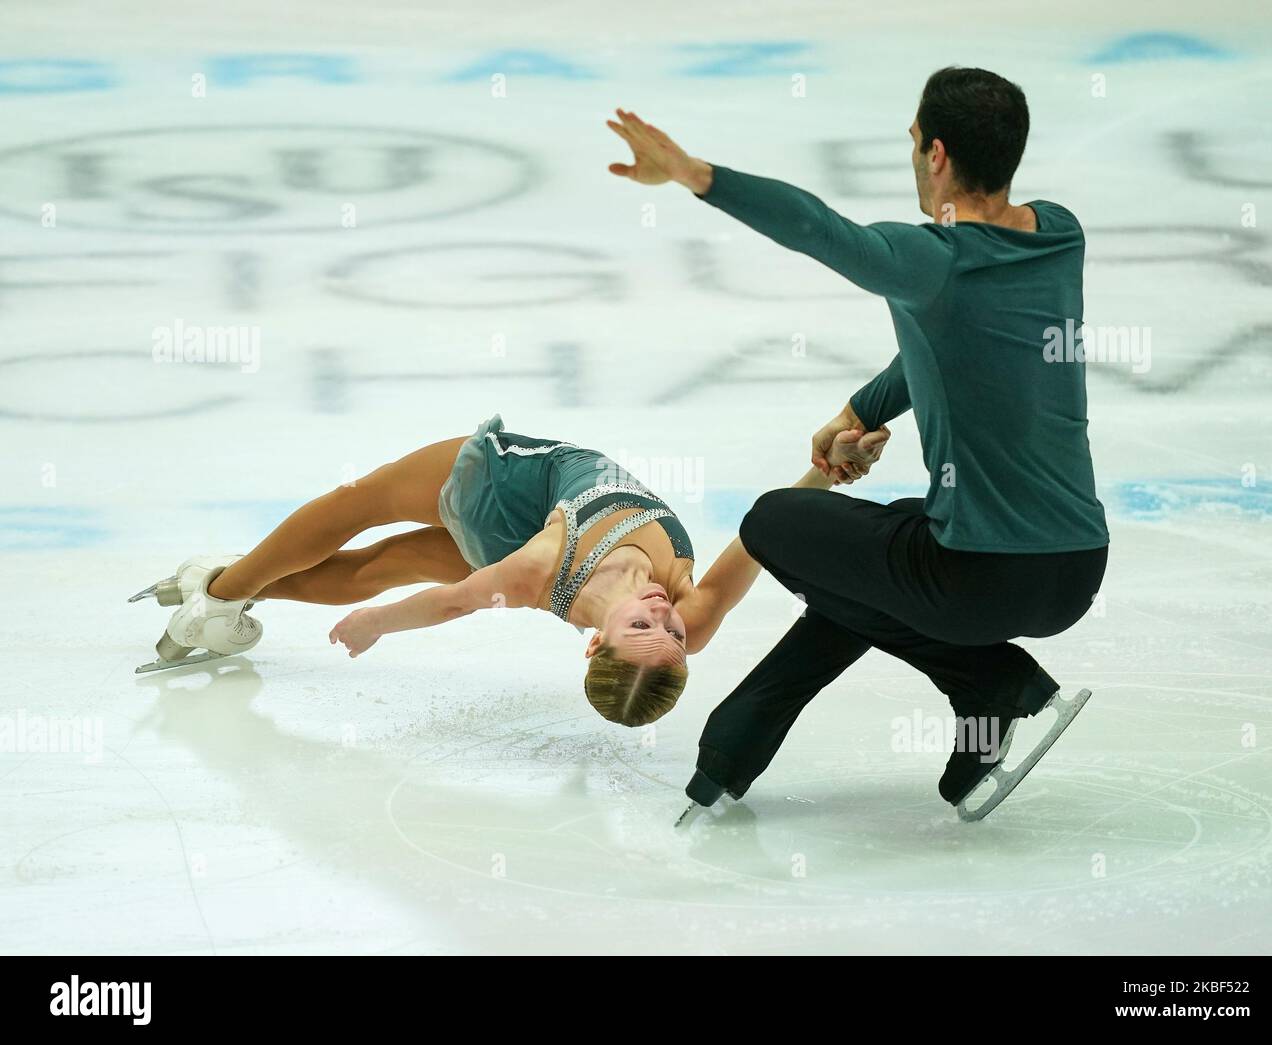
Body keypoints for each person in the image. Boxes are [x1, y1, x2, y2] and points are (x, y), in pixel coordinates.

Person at [605, 66, 1109, 811]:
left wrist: (693, 174)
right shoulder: (1060, 234)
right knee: (872, 552)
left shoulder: (932, 258)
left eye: (913, 141)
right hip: (1076, 570)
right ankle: (737, 741)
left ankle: (989, 680)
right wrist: (858, 411)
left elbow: (816, 228)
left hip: (979, 584)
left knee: (773, 522)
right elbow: (968, 344)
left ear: (936, 154)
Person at [135, 414, 888, 728]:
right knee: (372, 565)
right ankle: (217, 582)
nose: (663, 611)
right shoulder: (689, 615)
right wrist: (827, 468)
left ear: (594, 643)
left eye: (641, 625)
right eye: (670, 630)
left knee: (360, 510)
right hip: (530, 514)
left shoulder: (536, 570)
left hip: (500, 492)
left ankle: (219, 591)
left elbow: (458, 602)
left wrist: (377, 624)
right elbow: (768, 530)